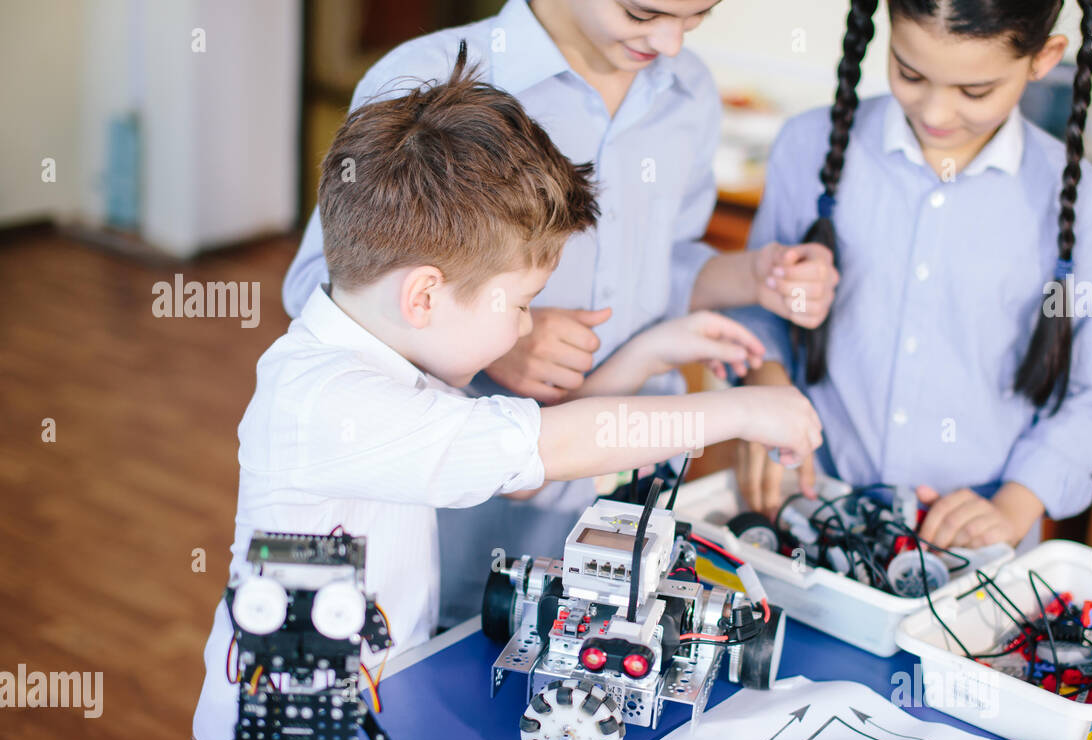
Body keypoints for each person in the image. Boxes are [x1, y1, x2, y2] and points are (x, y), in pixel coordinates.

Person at [190, 54, 822, 740]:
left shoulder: (387, 360)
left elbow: (528, 461)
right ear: (423, 296)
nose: (526, 326)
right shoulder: (332, 403)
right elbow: (548, 447)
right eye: (521, 304)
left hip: (369, 715)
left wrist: (648, 355)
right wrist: (736, 414)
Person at [283, 0, 840, 624]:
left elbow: (662, 266)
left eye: (697, 18)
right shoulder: (425, 80)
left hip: (618, 484)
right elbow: (338, 282)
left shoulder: (688, 92)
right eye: (642, 13)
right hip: (469, 528)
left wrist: (739, 283)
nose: (671, 43)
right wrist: (503, 338)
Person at [735, 0, 1092, 551]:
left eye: (975, 91)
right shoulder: (807, 145)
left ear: (1044, 58)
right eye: (909, 73)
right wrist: (763, 383)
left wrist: (1013, 505)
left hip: (973, 545)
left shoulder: (1084, 200)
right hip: (810, 509)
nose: (936, 113)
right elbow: (758, 307)